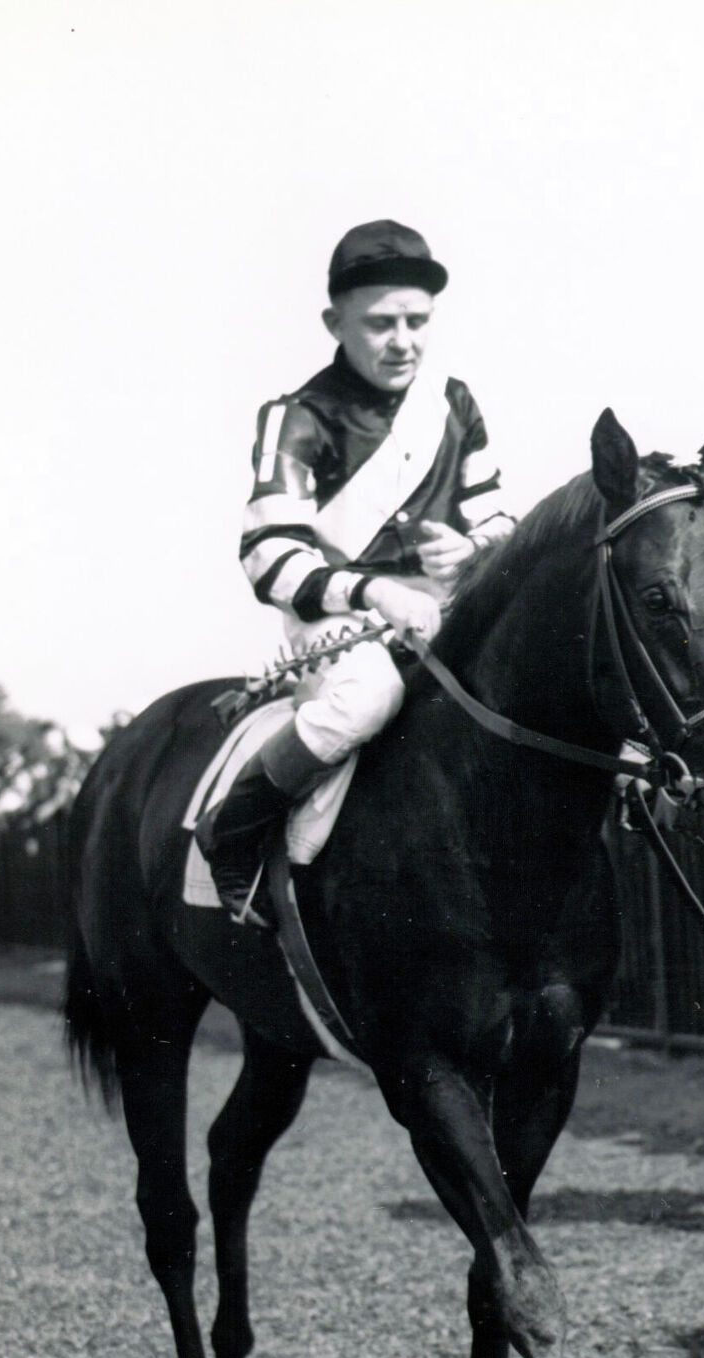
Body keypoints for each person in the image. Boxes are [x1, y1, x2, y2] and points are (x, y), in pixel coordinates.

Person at [197, 220, 512, 925]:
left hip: (442, 612)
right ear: (334, 323)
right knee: (368, 695)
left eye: (416, 321)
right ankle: (237, 826)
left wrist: (471, 552)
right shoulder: (297, 417)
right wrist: (373, 590)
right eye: (380, 323)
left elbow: (498, 519)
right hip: (335, 627)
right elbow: (269, 555)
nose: (402, 340)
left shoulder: (454, 403)